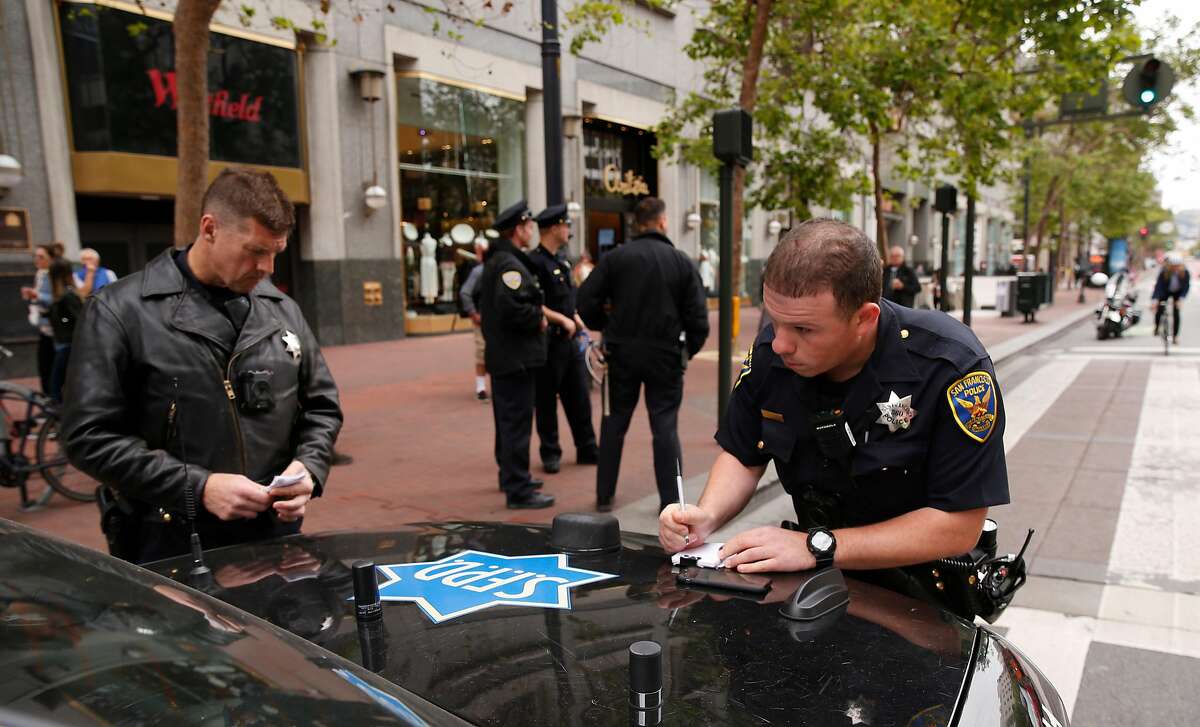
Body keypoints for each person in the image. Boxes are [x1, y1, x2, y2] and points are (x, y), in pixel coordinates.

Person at [658, 219, 1009, 616]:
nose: (781, 344)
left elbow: (958, 526)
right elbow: (744, 452)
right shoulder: (774, 351)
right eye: (775, 320)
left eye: (805, 329)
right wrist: (706, 516)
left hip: (921, 603)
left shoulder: (951, 368)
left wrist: (815, 546)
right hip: (814, 588)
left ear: (864, 319)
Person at [62, 168, 343, 564]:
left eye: (276, 252)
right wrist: (198, 486)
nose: (268, 268)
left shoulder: (281, 310)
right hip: (168, 538)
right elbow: (87, 436)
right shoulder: (118, 311)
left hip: (272, 534)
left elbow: (322, 407)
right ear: (209, 229)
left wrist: (309, 470)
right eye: (255, 251)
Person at [578, 197, 709, 513]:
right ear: (663, 222)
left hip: (622, 351)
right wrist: (686, 350)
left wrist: (606, 327)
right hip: (664, 353)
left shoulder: (616, 258)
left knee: (614, 423)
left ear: (637, 223)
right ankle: (670, 500)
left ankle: (605, 495)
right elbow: (698, 319)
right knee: (665, 426)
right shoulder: (680, 261)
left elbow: (585, 299)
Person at [479, 200, 554, 509]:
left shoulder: (501, 260)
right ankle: (518, 489)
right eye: (528, 226)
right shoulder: (509, 265)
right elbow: (514, 308)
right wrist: (538, 317)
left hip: (508, 356)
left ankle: (511, 475)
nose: (531, 231)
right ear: (518, 229)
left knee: (508, 421)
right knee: (516, 423)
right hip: (516, 357)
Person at [529, 204, 598, 474]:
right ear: (555, 227)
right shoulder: (534, 263)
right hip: (549, 341)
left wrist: (576, 319)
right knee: (546, 398)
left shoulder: (561, 260)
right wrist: (562, 319)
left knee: (579, 394)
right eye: (566, 225)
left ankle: (587, 447)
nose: (569, 230)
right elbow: (536, 303)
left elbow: (567, 300)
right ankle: (550, 452)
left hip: (570, 341)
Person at [20, 244, 57, 395]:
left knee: (53, 368)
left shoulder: (52, 275)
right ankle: (49, 400)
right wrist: (33, 295)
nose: (37, 259)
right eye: (36, 256)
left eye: (41, 256)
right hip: (44, 327)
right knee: (45, 367)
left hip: (55, 329)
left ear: (51, 258)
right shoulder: (41, 274)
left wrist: (37, 296)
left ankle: (53, 402)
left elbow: (56, 299)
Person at [46, 258, 83, 404]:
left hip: (68, 344)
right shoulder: (64, 296)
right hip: (64, 343)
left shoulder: (67, 296)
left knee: (55, 386)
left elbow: (80, 320)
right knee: (59, 384)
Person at [459, 238, 489, 401]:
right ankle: (481, 387)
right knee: (482, 352)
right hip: (482, 319)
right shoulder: (478, 271)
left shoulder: (495, 270)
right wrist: (473, 313)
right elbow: (465, 292)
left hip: (495, 320)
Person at [1152, 253, 1189, 343]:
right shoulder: (1164, 272)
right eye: (1173, 266)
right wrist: (1155, 300)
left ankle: (1175, 336)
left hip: (1178, 293)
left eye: (1177, 266)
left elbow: (1186, 287)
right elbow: (1159, 286)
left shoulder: (1185, 273)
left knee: (1176, 312)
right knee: (1160, 308)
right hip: (1165, 291)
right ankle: (1157, 327)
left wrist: (1181, 299)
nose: (1175, 268)